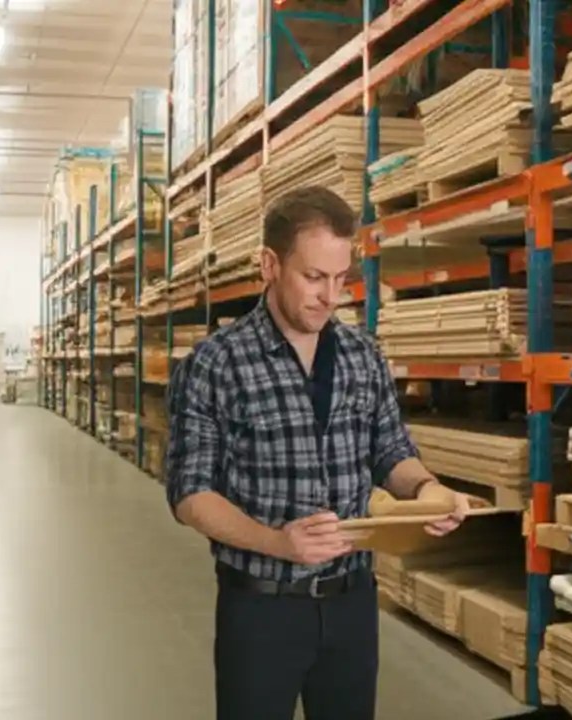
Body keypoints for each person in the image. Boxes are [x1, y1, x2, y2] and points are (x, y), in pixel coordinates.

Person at [165, 185, 472, 720]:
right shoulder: (215, 364)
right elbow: (190, 493)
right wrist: (276, 543)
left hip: (352, 603)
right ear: (269, 264)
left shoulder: (363, 356)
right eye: (313, 277)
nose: (330, 297)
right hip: (260, 609)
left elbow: (391, 450)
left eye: (340, 279)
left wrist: (428, 490)